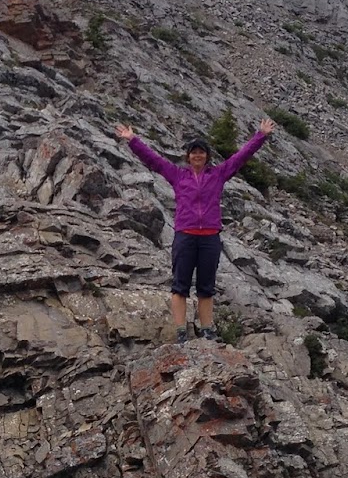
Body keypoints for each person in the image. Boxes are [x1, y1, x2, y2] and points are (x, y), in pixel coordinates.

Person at [114, 117, 275, 342]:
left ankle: (207, 329)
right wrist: (132, 140)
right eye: (193, 152)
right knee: (180, 284)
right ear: (188, 157)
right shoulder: (178, 175)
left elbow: (241, 157)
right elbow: (154, 161)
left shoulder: (218, 174)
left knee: (206, 286)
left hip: (210, 237)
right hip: (185, 235)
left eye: (201, 152)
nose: (197, 155)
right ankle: (181, 330)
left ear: (207, 156)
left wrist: (261, 136)